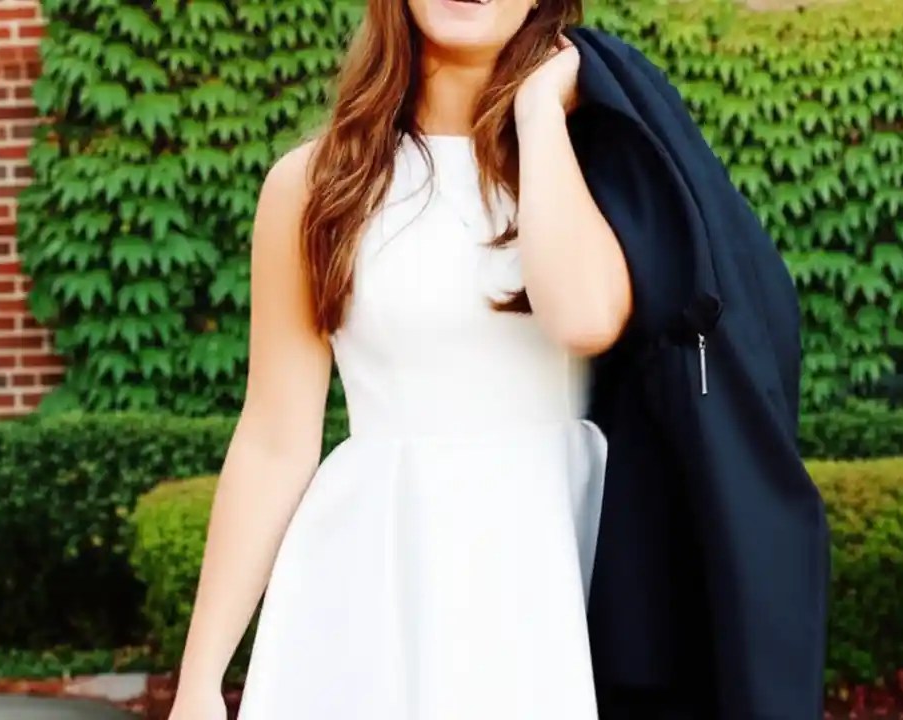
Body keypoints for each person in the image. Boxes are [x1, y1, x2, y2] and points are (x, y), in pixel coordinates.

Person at [166, 0, 630, 718]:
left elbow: (587, 317)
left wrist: (538, 111)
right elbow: (273, 440)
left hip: (547, 571)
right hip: (375, 578)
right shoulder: (315, 185)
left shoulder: (595, 163)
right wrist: (199, 682)